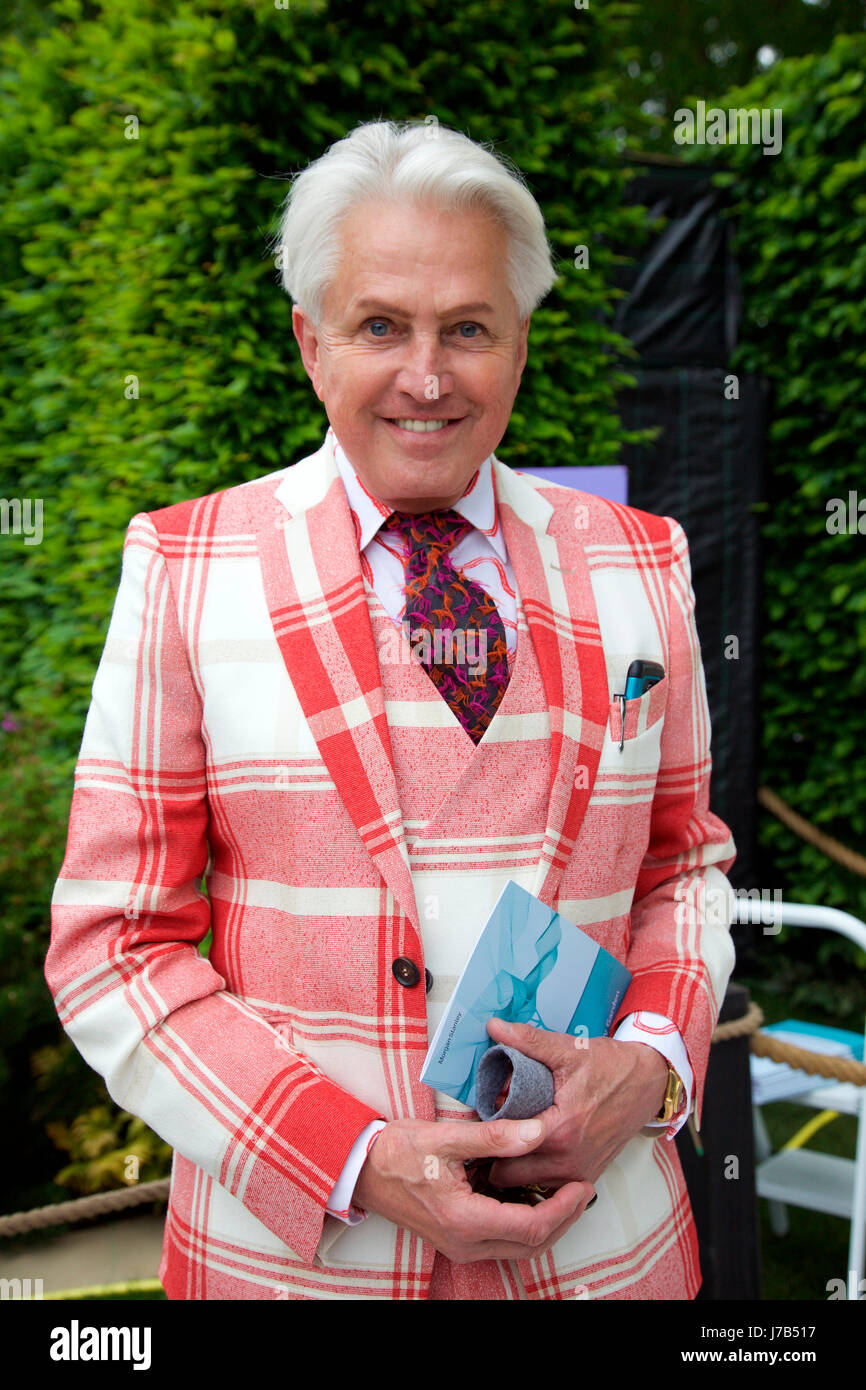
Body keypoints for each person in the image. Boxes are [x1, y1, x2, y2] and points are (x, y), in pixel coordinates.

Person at [45, 119, 736, 1300]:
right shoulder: (189, 568)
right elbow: (115, 948)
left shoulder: (639, 563)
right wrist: (354, 1156)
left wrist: (656, 1060)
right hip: (305, 1268)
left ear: (519, 344)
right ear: (311, 343)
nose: (427, 374)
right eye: (381, 326)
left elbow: (683, 868)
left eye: (466, 327)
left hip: (607, 1258)